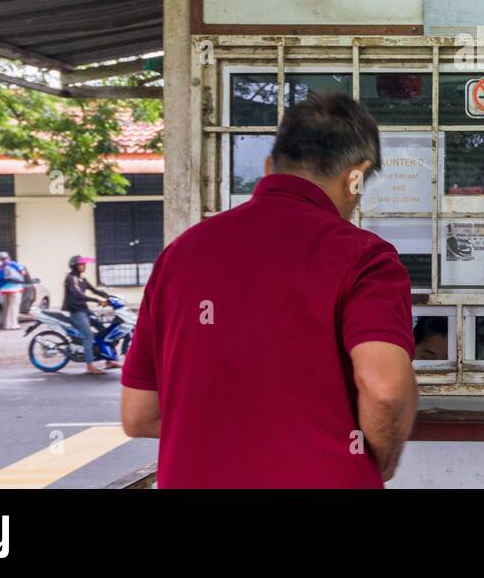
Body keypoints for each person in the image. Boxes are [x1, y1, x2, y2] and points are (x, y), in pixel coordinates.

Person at [119, 93, 417, 488]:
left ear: (268, 166)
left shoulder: (179, 256)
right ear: (356, 176)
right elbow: (384, 389)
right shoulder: (365, 258)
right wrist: (384, 456)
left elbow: (138, 414)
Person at [63, 255, 116, 375]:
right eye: (82, 264)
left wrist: (110, 297)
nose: (84, 266)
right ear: (75, 266)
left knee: (104, 331)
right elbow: (77, 295)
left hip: (85, 310)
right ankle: (89, 366)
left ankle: (109, 361)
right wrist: (96, 301)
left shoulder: (82, 279)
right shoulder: (70, 279)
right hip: (76, 312)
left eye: (84, 264)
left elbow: (95, 290)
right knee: (88, 336)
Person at [0, 251, 28, 330]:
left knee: (6, 307)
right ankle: (14, 325)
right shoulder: (13, 264)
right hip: (15, 289)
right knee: (14, 306)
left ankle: (6, 325)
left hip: (3, 290)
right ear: (8, 257)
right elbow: (23, 272)